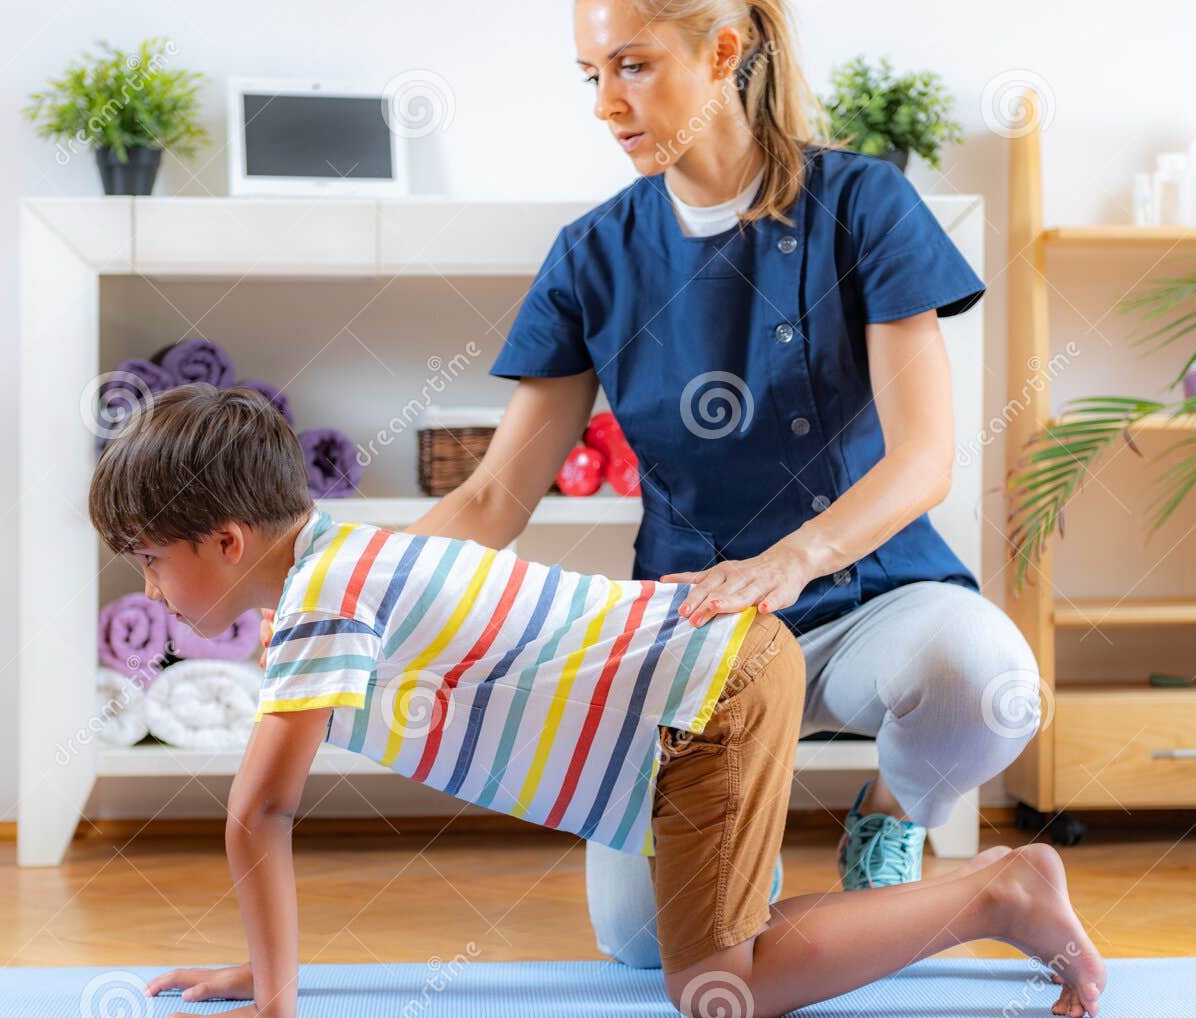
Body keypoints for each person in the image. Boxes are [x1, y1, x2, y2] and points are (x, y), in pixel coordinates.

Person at [89, 386, 1104, 1018]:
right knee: (690, 948)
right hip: (706, 676)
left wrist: (273, 1008)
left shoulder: (323, 591)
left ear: (225, 540)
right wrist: (260, 966)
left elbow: (258, 812)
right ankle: (992, 890)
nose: (149, 585)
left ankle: (996, 893)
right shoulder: (340, 564)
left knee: (719, 980)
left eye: (147, 558)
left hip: (708, 687)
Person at [403, 0, 1044, 968]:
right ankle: (772, 860)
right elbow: (496, 495)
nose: (605, 106)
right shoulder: (593, 255)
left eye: (632, 66)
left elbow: (924, 457)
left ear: (724, 52)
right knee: (648, 940)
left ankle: (889, 812)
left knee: (987, 683)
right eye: (592, 75)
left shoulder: (861, 206)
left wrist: (790, 561)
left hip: (872, 602)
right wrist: (352, 587)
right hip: (697, 628)